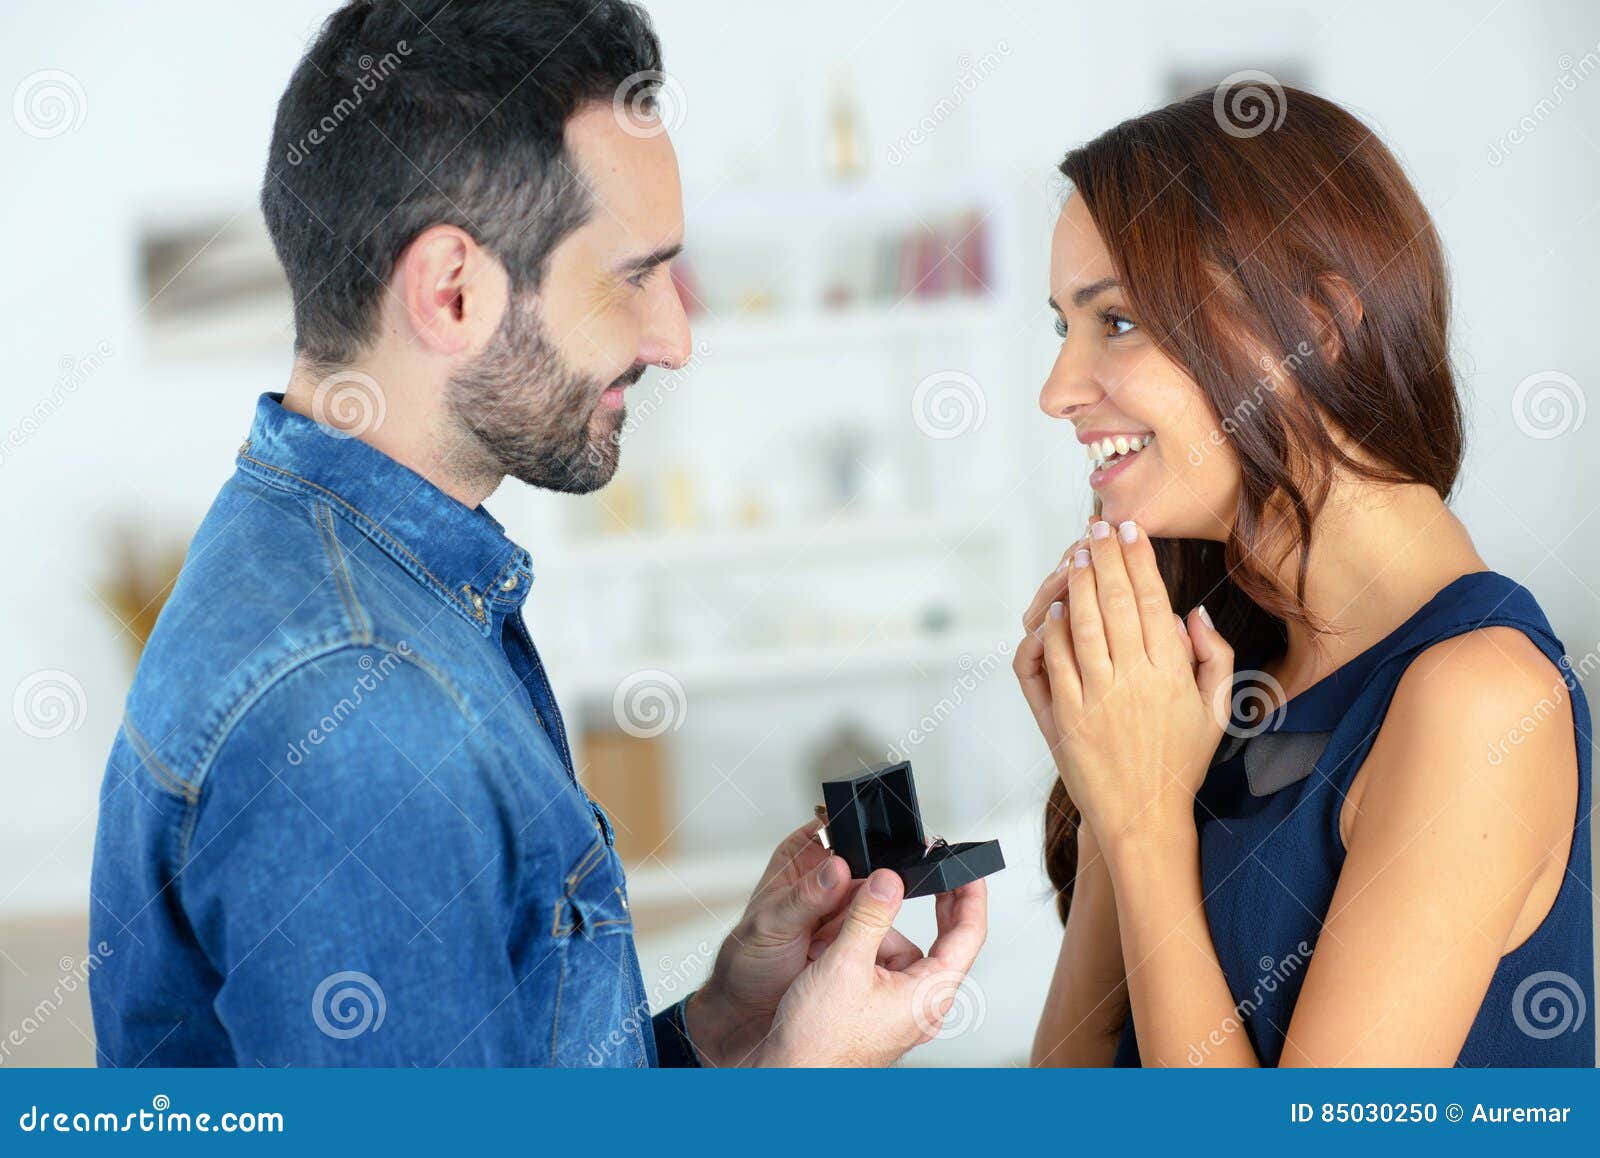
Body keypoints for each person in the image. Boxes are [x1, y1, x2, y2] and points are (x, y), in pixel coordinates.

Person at [88, 0, 985, 1068]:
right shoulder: (355, 702)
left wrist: (725, 1025)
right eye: (636, 275)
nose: (676, 337)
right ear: (453, 291)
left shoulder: (360, 576)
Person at [1015, 86, 1593, 1067]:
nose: (1057, 390)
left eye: (1114, 321)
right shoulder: (1222, 660)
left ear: (1316, 324)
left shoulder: (1478, 702)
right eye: (1059, 328)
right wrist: (1119, 792)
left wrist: (1149, 825)